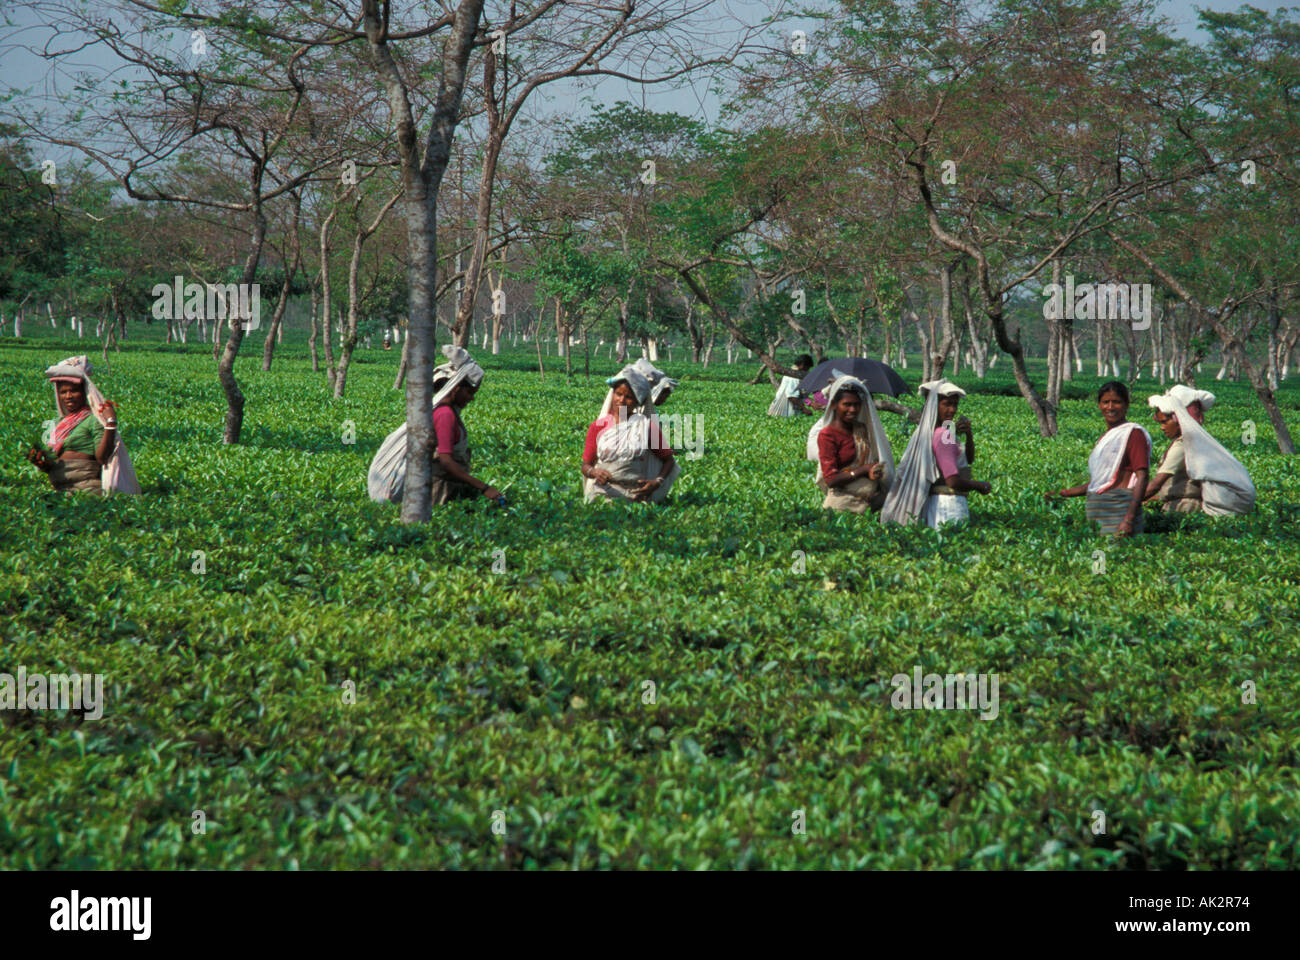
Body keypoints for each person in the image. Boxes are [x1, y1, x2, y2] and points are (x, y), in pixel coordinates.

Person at [366, 345, 503, 505]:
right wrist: (484, 488)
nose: (471, 398)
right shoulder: (445, 414)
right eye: (469, 393)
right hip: (436, 490)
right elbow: (446, 462)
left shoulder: (445, 411)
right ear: (456, 389)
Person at [1044, 381, 1150, 536]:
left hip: (1119, 509)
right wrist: (1063, 493)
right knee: (1100, 555)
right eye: (1105, 402)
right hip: (1097, 509)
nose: (1110, 407)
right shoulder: (1106, 437)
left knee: (1118, 556)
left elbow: (1143, 476)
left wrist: (1129, 519)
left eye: (1117, 402)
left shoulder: (1133, 434)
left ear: (1127, 404)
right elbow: (1098, 483)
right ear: (1099, 405)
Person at [881, 379, 992, 527]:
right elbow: (952, 481)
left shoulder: (931, 432)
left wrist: (968, 435)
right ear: (934, 405)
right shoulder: (942, 435)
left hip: (939, 504)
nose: (952, 410)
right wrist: (980, 486)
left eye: (955, 404)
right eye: (947, 404)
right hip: (948, 505)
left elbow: (968, 460)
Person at [27, 355, 140, 495]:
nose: (68, 396)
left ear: (84, 392)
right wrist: (42, 462)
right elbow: (51, 459)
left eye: (73, 391)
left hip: (86, 487)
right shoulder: (58, 422)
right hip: (59, 488)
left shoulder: (93, 420)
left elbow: (102, 458)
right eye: (63, 392)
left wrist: (110, 424)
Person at [1144, 390, 1254, 515]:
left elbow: (1156, 485)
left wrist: (1128, 502)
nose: (1162, 427)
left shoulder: (1183, 444)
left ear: (1178, 420)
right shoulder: (1195, 441)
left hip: (1183, 508)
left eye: (1165, 422)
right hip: (1184, 504)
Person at [582, 365, 679, 503]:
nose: (621, 400)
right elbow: (586, 465)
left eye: (628, 397)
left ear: (638, 402)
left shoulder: (646, 426)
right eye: (618, 394)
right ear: (612, 394)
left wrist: (657, 482)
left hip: (636, 496)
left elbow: (668, 460)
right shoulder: (598, 427)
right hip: (602, 495)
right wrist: (594, 472)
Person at [806, 373, 895, 514]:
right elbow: (830, 479)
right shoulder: (828, 435)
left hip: (867, 503)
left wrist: (873, 470)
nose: (853, 409)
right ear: (834, 405)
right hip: (842, 504)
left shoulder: (861, 429)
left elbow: (866, 460)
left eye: (856, 405)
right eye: (847, 404)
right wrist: (864, 470)